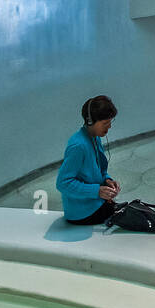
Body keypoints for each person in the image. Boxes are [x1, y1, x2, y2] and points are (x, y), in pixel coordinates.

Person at [56, 96, 121, 225]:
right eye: (105, 123)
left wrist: (107, 180)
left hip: (94, 204)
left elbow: (98, 171)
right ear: (90, 121)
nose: (109, 127)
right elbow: (63, 183)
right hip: (82, 213)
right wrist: (97, 191)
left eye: (110, 122)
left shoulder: (94, 138)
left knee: (131, 213)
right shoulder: (78, 146)